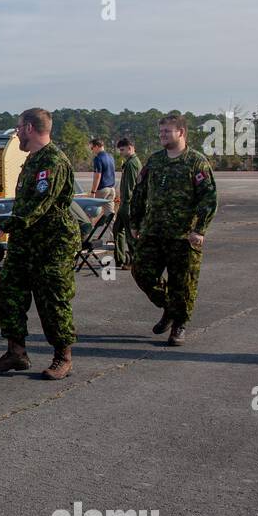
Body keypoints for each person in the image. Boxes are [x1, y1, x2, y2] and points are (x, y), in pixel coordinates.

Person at [0, 108, 80, 380]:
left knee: (53, 302)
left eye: (17, 127)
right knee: (8, 295)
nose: (16, 132)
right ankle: (16, 353)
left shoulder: (53, 162)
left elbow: (38, 207)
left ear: (28, 128)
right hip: (26, 242)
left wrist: (2, 227)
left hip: (51, 245)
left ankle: (63, 358)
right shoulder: (33, 160)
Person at [128, 112, 217, 346]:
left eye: (167, 131)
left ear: (181, 132)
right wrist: (135, 223)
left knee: (183, 283)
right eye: (160, 132)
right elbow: (139, 192)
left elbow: (208, 197)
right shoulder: (155, 161)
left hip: (183, 236)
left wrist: (200, 229)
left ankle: (179, 324)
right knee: (141, 272)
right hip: (153, 232)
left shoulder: (196, 162)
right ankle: (169, 307)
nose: (162, 136)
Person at [112, 138, 142, 269]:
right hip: (125, 203)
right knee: (117, 230)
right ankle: (120, 258)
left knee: (130, 235)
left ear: (130, 148)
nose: (121, 152)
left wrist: (127, 204)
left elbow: (130, 187)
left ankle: (133, 261)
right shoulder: (131, 162)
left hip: (128, 204)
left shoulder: (131, 163)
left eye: (122, 149)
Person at [89, 138, 117, 204]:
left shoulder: (98, 158)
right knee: (109, 212)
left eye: (92, 148)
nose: (92, 150)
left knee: (93, 210)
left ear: (96, 147)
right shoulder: (111, 156)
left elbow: (97, 176)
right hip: (112, 189)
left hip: (102, 190)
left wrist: (93, 192)